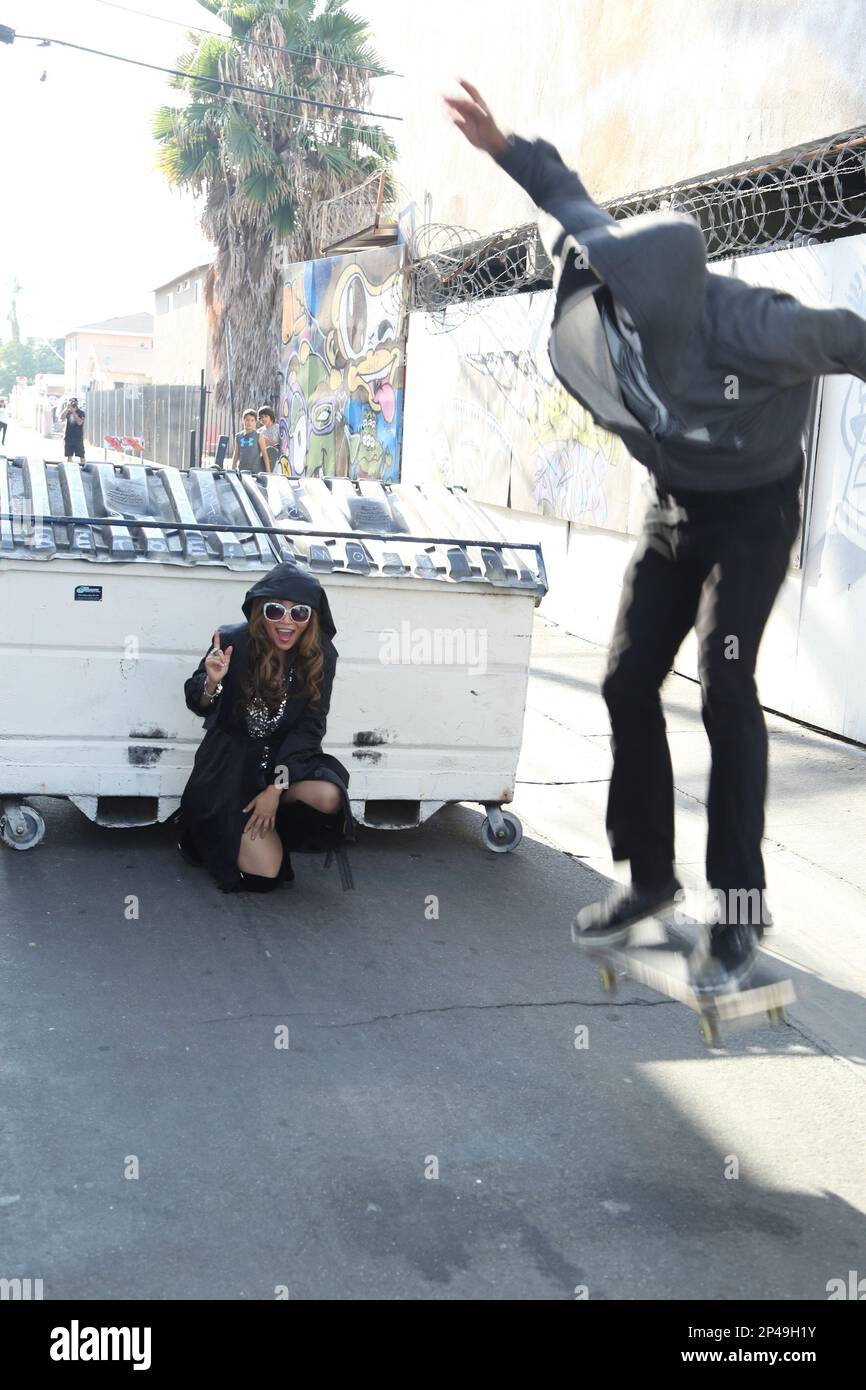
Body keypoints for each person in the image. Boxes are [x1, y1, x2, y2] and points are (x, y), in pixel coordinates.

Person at [446, 79, 866, 989]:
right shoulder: (612, 273)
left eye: (635, 321)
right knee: (626, 679)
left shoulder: (752, 325)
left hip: (755, 511)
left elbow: (850, 335)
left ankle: (741, 917)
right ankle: (649, 881)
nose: (618, 330)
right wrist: (500, 143)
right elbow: (563, 193)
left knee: (723, 687)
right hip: (680, 507)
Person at [177, 561, 353, 893]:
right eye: (276, 610)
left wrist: (276, 788)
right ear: (261, 612)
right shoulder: (232, 641)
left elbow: (310, 727)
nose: (287, 620)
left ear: (311, 618)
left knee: (329, 796)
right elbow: (198, 703)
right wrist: (212, 682)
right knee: (265, 875)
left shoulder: (321, 656)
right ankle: (198, 832)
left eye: (299, 613)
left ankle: (271, 826)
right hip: (229, 764)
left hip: (287, 758)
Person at [61, 396, 86, 462]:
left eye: (73, 403)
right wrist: (67, 408)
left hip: (78, 438)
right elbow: (61, 417)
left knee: (81, 455)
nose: (72, 404)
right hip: (69, 437)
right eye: (71, 403)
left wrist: (73, 412)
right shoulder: (68, 412)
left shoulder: (81, 413)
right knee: (69, 456)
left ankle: (84, 468)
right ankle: (70, 468)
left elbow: (79, 423)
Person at [257, 406, 280, 471]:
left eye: (266, 416)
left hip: (276, 461)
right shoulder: (259, 431)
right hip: (262, 461)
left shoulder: (278, 428)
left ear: (271, 416)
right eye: (261, 417)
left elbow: (282, 446)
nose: (263, 419)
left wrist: (267, 440)